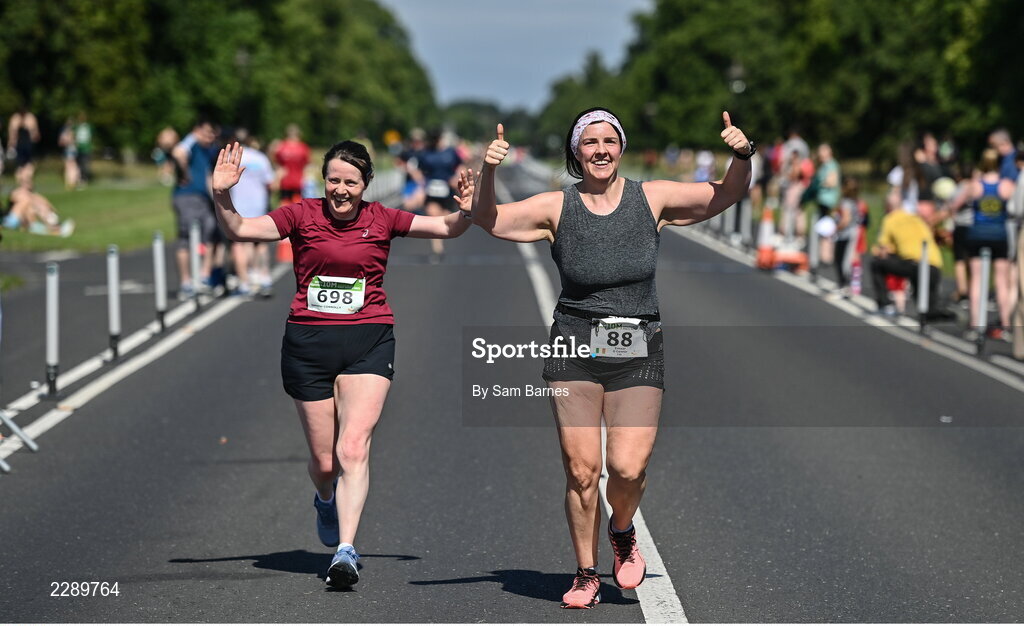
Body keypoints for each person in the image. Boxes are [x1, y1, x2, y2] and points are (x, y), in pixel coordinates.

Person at [472, 108, 753, 609]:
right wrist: (489, 171)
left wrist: (742, 155)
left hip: (637, 347)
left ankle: (621, 529)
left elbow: (726, 193)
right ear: (576, 152)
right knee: (582, 471)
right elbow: (489, 219)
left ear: (621, 147)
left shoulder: (652, 198)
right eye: (590, 142)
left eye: (609, 141)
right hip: (574, 348)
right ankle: (586, 573)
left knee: (626, 467)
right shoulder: (557, 206)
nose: (600, 150)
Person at [211, 139, 476, 589]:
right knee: (324, 462)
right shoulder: (300, 215)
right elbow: (239, 229)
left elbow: (448, 227)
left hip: (368, 340)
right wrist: (222, 193)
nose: (340, 189)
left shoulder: (383, 218)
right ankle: (324, 498)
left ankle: (346, 551)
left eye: (350, 182)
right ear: (323, 180)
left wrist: (467, 210)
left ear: (365, 183)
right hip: (308, 344)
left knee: (352, 448)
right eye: (333, 180)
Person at [948, 149, 1015, 340]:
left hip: (977, 234)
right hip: (999, 235)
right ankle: (1005, 325)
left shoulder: (975, 185)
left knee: (976, 279)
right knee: (1001, 281)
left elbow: (955, 205)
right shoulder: (1007, 185)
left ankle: (975, 324)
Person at [869, 190, 944, 318]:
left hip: (913, 264)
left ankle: (884, 304)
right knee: (928, 309)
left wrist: (877, 250)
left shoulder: (889, 219)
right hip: (934, 265)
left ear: (887, 206)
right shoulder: (916, 218)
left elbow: (883, 250)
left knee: (877, 264)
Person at [171, 118, 218, 299]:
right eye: (206, 133)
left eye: (212, 134)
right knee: (186, 237)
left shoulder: (208, 149)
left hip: (204, 199)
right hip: (187, 196)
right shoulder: (191, 143)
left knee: (209, 234)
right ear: (197, 131)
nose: (209, 137)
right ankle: (186, 282)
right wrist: (183, 172)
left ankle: (204, 276)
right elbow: (178, 153)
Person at [226, 129, 276, 296]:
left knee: (239, 243)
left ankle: (245, 281)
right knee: (260, 242)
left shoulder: (230, 157)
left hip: (237, 205)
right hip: (258, 204)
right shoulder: (260, 158)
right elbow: (271, 183)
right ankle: (264, 277)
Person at [416, 130, 464, 262]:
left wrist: (457, 178)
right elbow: (419, 171)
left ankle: (440, 243)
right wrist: (421, 186)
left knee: (446, 218)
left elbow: (460, 165)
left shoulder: (450, 152)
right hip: (431, 190)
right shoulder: (425, 153)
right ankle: (438, 250)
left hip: (447, 190)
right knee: (433, 218)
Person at [3, 180, 74, 237]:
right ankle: (55, 229)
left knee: (31, 208)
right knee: (29, 203)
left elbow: (43, 202)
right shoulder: (18, 193)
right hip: (10, 221)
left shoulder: (28, 197)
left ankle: (54, 227)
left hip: (18, 221)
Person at [273, 124, 311, 207]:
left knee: (289, 207)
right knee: (292, 206)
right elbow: (278, 164)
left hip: (294, 182)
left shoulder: (283, 146)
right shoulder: (283, 146)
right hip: (290, 182)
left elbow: (277, 164)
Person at [7, 105, 40, 184]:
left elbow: (12, 133)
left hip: (24, 143)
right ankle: (24, 180)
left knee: (22, 165)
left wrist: (11, 144)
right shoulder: (29, 118)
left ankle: (23, 181)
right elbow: (35, 133)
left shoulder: (16, 118)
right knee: (25, 164)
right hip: (24, 143)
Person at [58, 118, 80, 190]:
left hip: (70, 150)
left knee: (70, 166)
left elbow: (61, 142)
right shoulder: (69, 131)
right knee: (71, 166)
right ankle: (71, 182)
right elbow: (62, 142)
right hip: (70, 150)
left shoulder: (67, 131)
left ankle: (71, 182)